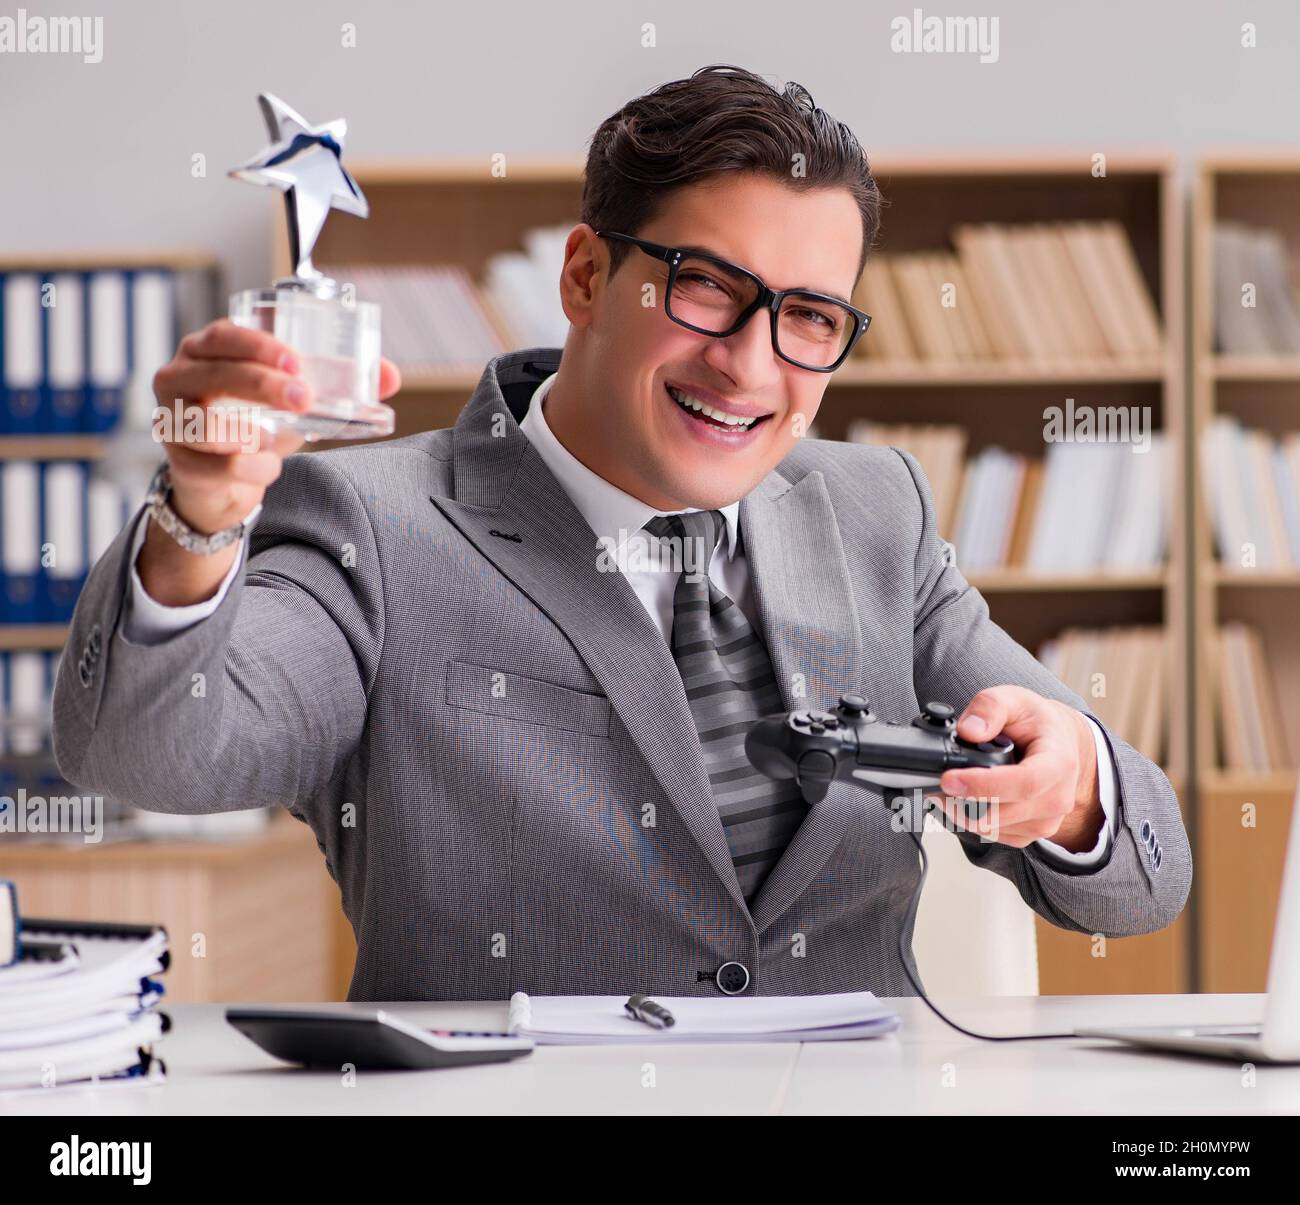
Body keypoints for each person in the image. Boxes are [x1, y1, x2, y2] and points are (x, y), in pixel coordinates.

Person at [52, 64, 1189, 1001]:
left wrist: (1073, 784)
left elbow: (1143, 880)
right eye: (703, 288)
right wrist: (199, 513)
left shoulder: (874, 512)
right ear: (587, 274)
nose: (749, 366)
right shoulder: (377, 524)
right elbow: (150, 754)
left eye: (807, 317)